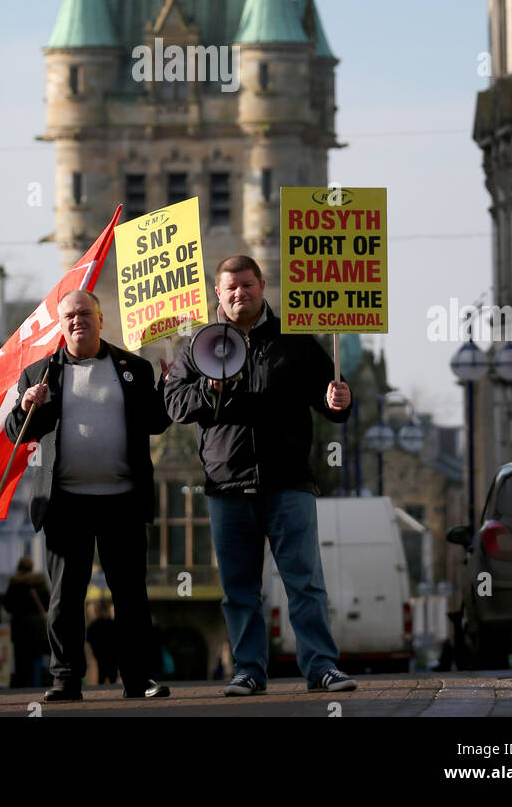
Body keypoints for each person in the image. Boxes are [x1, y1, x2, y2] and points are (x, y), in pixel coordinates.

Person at [164, 254, 357, 696]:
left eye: (248, 285)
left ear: (263, 285)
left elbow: (332, 402)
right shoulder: (195, 345)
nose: (240, 294)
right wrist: (209, 386)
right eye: (231, 287)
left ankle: (321, 667)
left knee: (305, 583)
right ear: (218, 292)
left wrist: (339, 400)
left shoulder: (295, 339)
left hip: (289, 482)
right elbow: (174, 406)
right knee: (239, 590)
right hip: (227, 487)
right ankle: (249, 670)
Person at [5, 288, 172, 702]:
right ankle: (65, 679)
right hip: (65, 502)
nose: (77, 321)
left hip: (122, 499)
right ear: (60, 326)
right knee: (65, 597)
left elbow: (155, 422)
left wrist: (167, 387)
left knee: (131, 595)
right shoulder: (41, 374)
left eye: (85, 313)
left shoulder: (133, 368)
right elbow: (15, 434)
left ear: (101, 319)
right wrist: (26, 407)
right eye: (69, 316)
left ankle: (139, 679)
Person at [3, 555, 50, 688]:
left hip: (20, 625)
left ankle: (23, 684)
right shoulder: (40, 583)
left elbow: (8, 605)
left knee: (20, 656)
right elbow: (48, 603)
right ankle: (35, 683)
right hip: (37, 626)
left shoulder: (14, 584)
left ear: (19, 567)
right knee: (36, 655)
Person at [85, 600, 117, 685]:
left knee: (102, 676)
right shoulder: (112, 623)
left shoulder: (93, 626)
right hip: (111, 655)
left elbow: (88, 641)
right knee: (111, 676)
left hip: (101, 655)